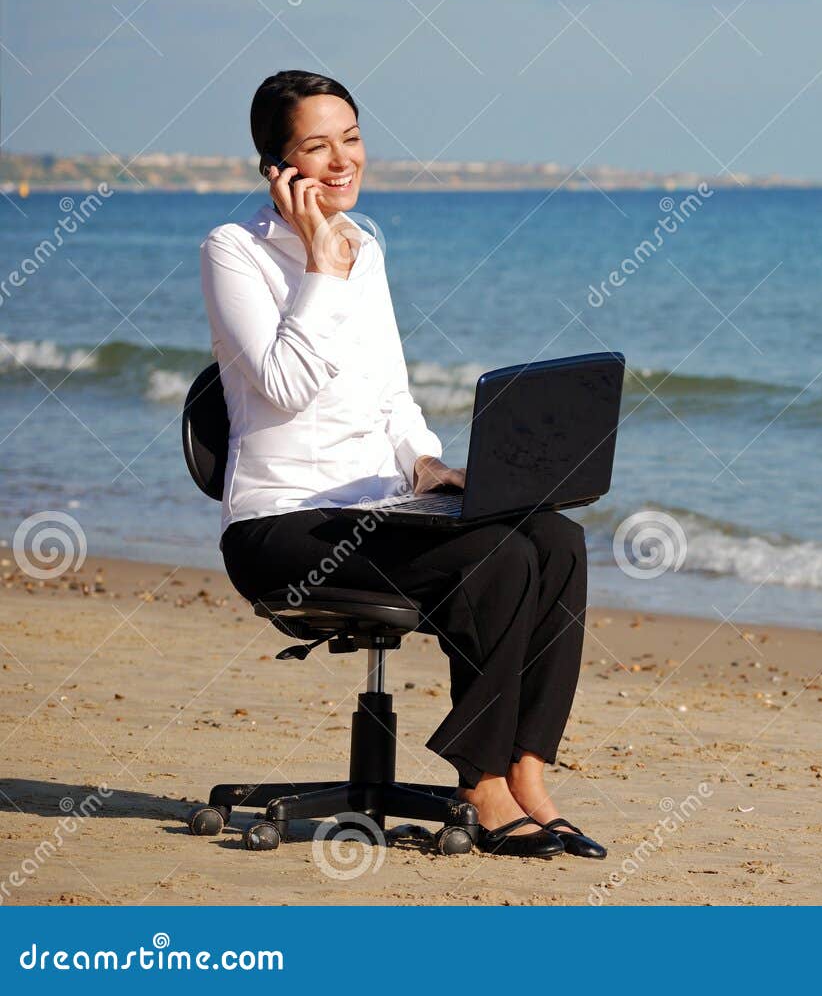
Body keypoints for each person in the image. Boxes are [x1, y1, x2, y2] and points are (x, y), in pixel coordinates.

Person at [199, 69, 604, 860]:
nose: (342, 160)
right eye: (316, 147)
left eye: (350, 139)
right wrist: (319, 265)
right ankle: (479, 785)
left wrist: (427, 465)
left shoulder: (367, 247)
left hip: (374, 510)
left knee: (554, 540)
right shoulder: (233, 253)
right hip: (282, 526)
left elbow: (390, 394)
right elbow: (285, 385)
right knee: (495, 558)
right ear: (275, 169)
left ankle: (527, 773)